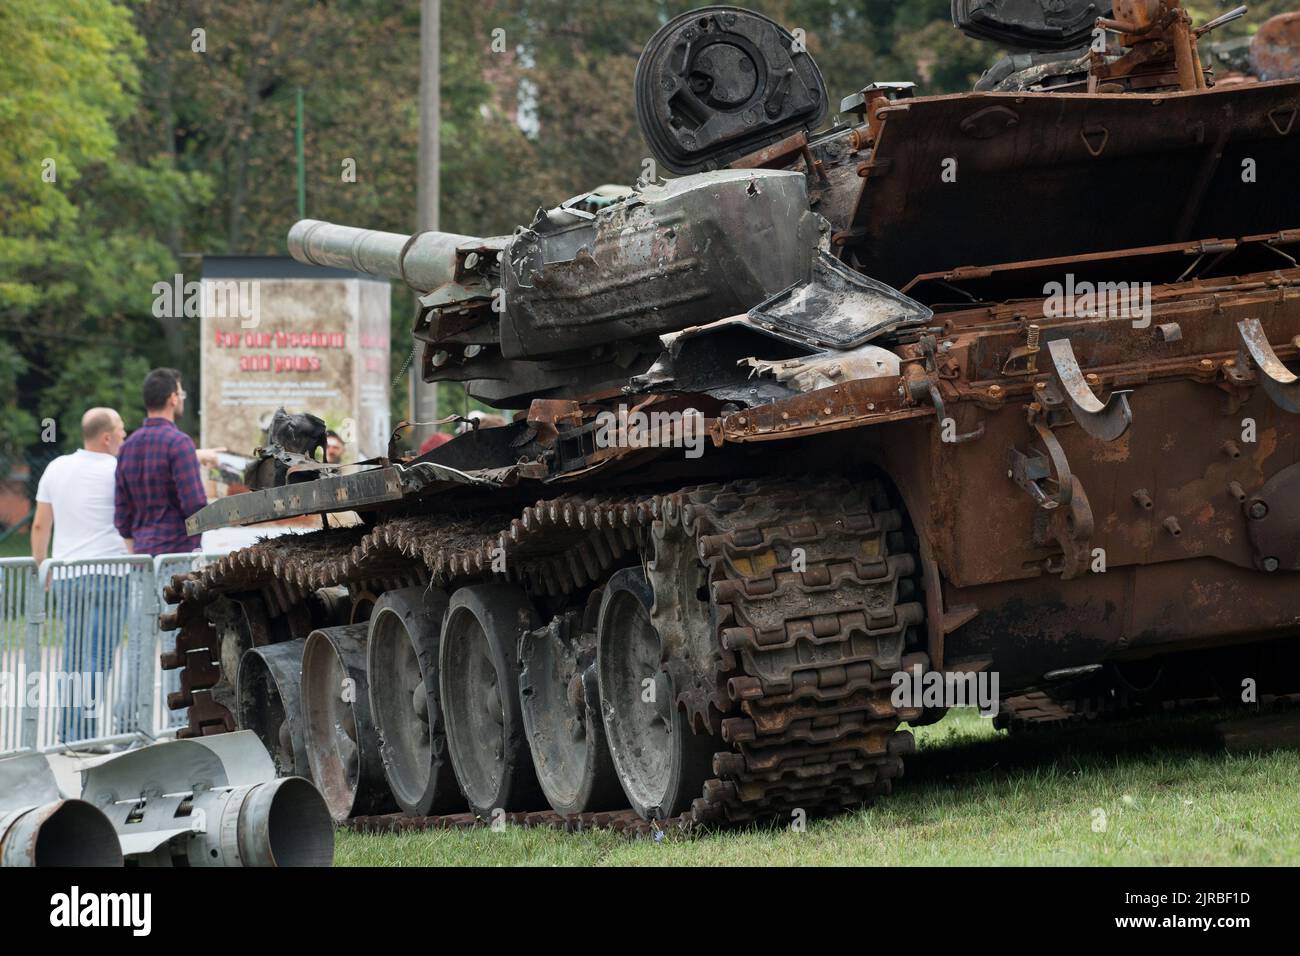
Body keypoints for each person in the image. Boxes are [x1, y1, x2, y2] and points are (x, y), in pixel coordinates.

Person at [31, 408, 130, 743]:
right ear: (106, 437)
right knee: (99, 655)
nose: (124, 435)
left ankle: (67, 733)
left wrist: (41, 566)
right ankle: (84, 736)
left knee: (72, 655)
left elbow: (41, 524)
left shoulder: (56, 467)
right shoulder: (118, 470)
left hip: (67, 574)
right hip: (110, 573)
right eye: (121, 430)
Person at [114, 368, 211, 556]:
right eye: (181, 394)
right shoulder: (179, 443)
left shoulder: (127, 447)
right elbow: (194, 504)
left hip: (141, 557)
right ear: (173, 398)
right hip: (177, 553)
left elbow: (121, 514)